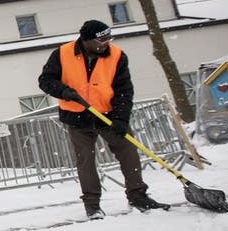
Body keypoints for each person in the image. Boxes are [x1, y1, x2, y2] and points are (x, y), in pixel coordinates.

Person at [38, 19, 168, 219]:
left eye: (109, 38)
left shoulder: (116, 55)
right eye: (101, 40)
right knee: (86, 161)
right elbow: (45, 80)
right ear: (86, 40)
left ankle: (138, 196)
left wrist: (121, 119)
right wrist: (63, 91)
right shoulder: (62, 54)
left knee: (128, 153)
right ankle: (92, 205)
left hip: (108, 116)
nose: (106, 43)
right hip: (76, 117)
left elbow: (124, 90)